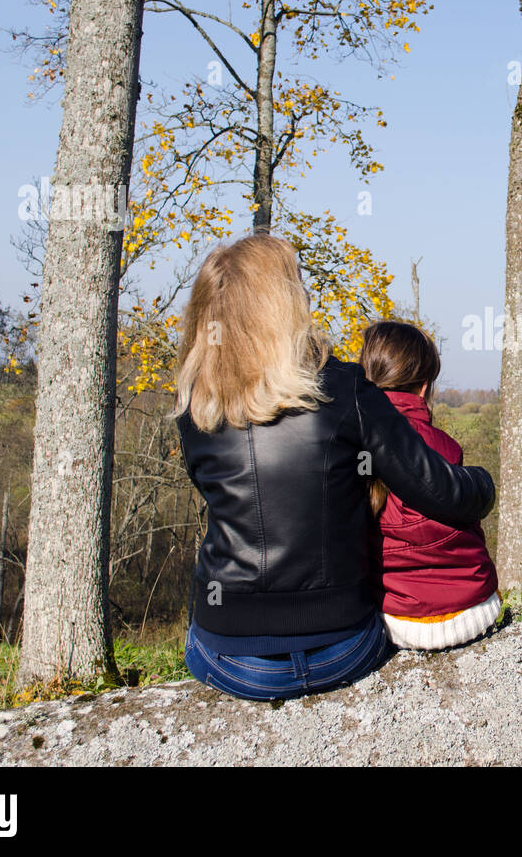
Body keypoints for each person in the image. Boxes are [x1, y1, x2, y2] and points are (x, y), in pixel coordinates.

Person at [173, 235, 495, 701]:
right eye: (298, 286)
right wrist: (483, 484)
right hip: (344, 646)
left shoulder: (194, 409)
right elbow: (438, 490)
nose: (305, 296)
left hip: (232, 657)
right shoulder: (347, 390)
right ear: (282, 306)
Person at [359, 321, 501, 650]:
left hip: (393, 620)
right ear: (424, 387)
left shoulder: (345, 445)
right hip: (472, 609)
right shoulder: (445, 446)